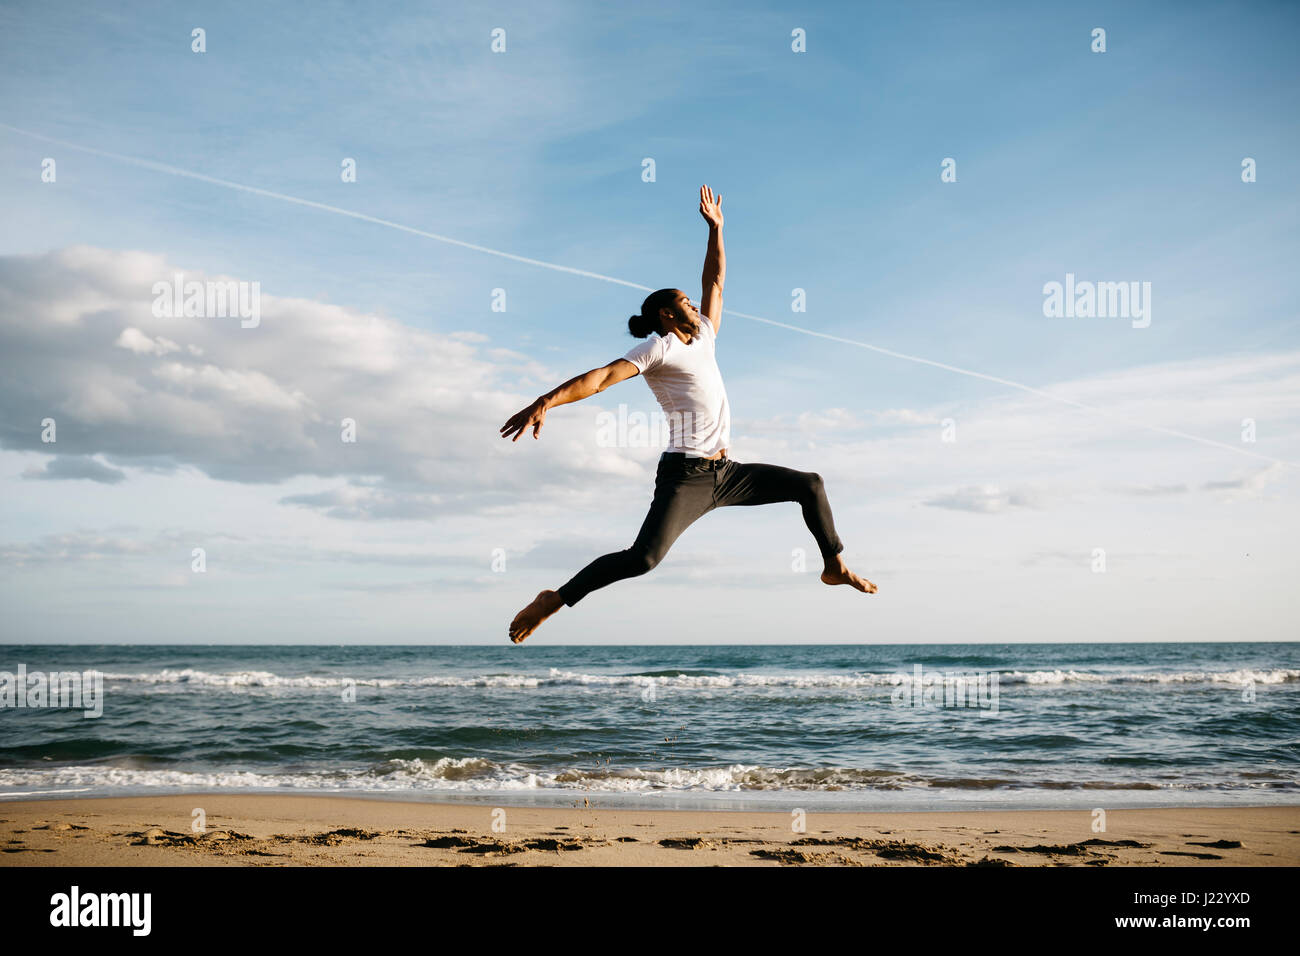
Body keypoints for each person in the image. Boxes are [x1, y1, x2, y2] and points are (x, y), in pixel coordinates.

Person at [500, 185, 875, 643]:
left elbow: (714, 281)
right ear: (665, 313)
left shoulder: (704, 336)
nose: (695, 305)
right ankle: (553, 600)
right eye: (685, 302)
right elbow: (599, 378)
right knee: (643, 560)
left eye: (692, 302)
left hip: (728, 471)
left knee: (810, 485)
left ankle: (834, 566)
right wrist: (545, 401)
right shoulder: (659, 347)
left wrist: (716, 229)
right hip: (687, 475)